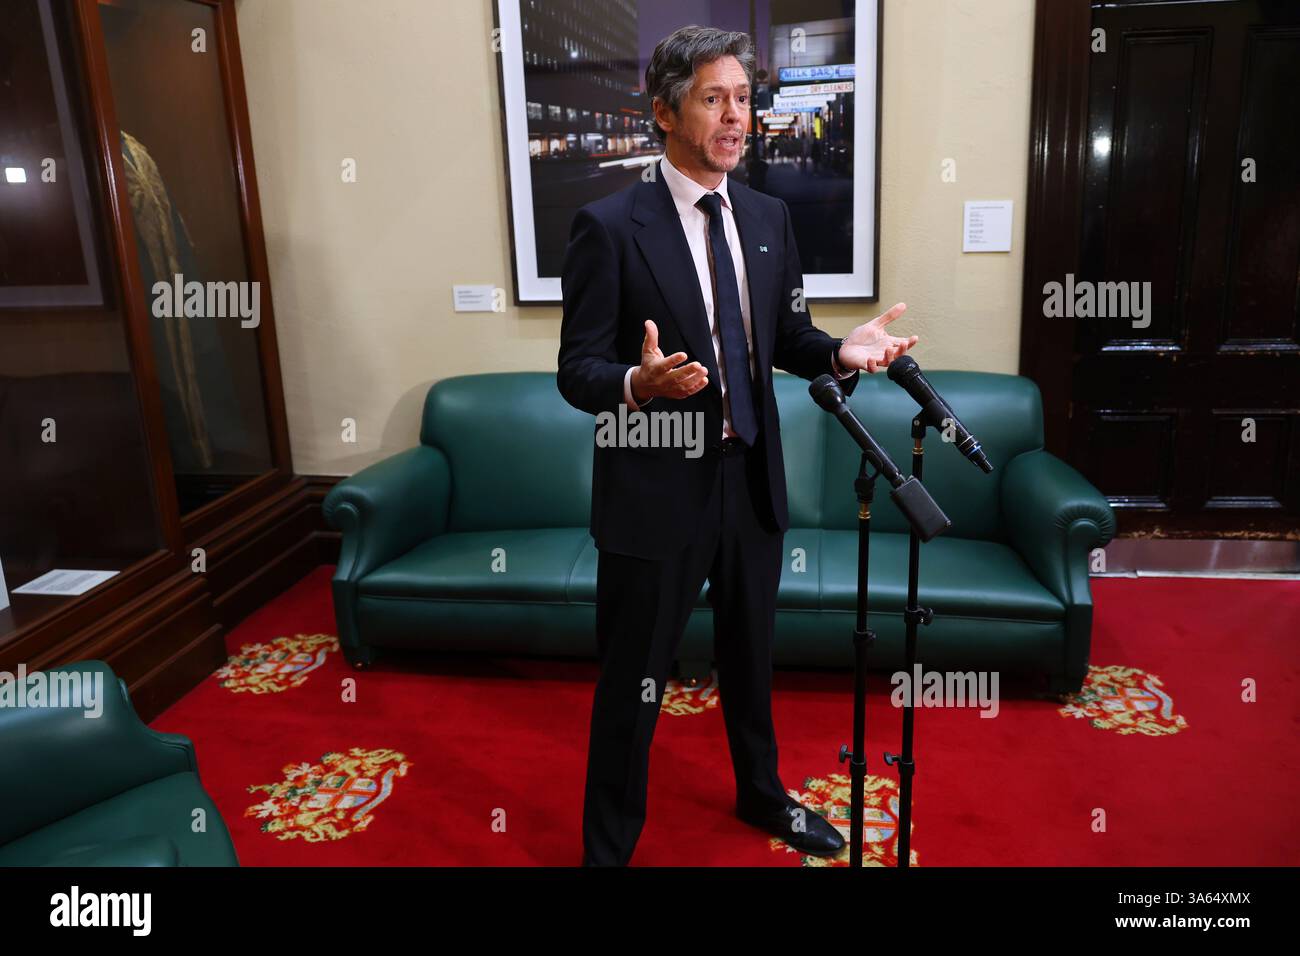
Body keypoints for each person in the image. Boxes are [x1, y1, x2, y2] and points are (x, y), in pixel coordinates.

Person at [557, 25, 918, 867]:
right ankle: (607, 849)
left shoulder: (766, 217)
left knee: (751, 662)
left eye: (744, 99)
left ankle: (763, 794)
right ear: (665, 112)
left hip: (749, 478)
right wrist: (638, 386)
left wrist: (838, 352)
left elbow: (783, 333)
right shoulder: (608, 225)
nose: (735, 117)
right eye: (713, 98)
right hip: (653, 492)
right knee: (632, 685)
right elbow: (578, 372)